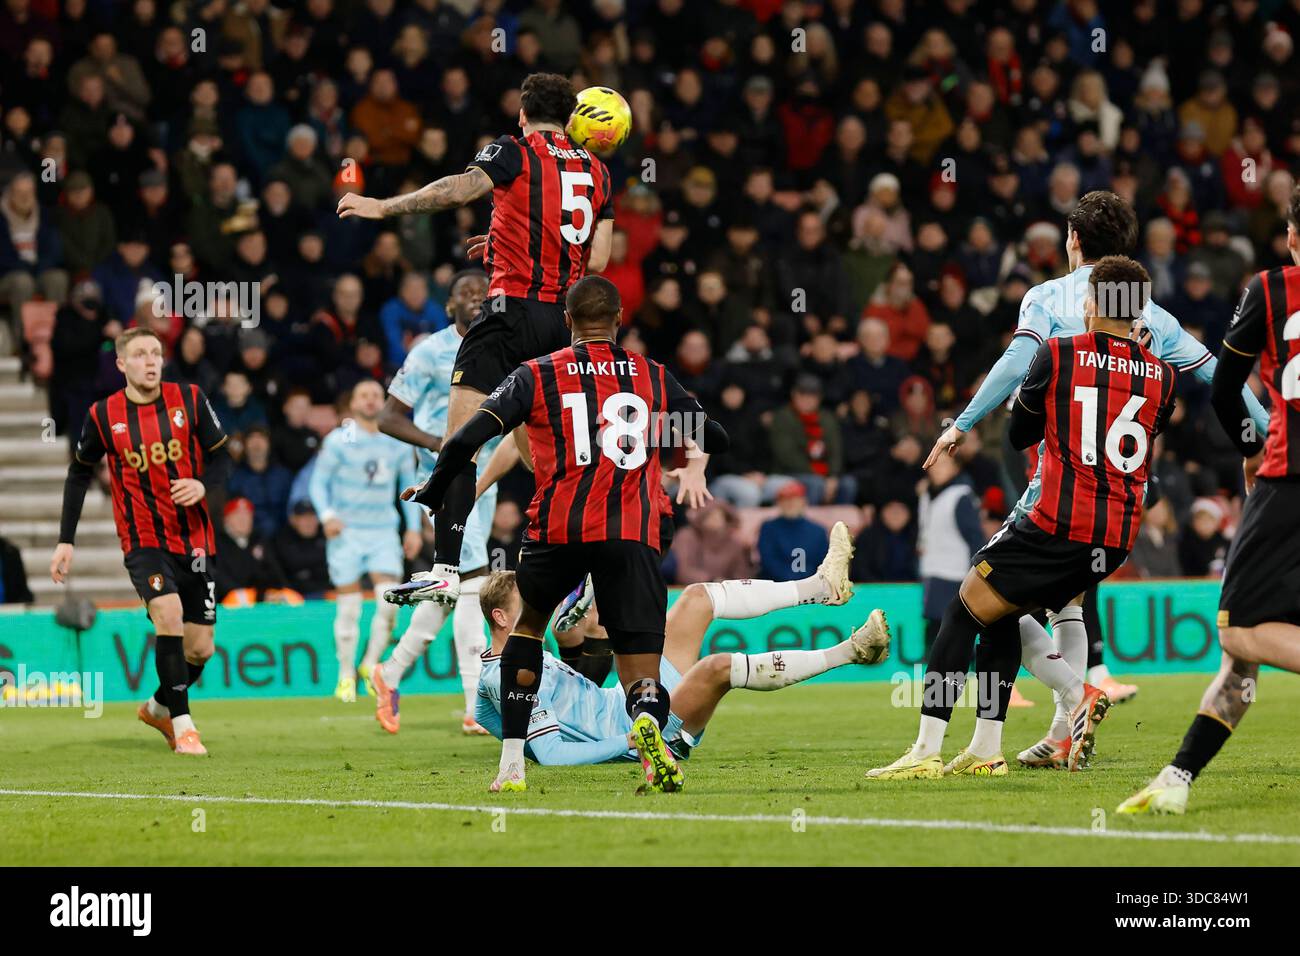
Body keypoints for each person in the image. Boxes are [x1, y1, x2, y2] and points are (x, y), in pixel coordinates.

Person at [921, 190, 1270, 769]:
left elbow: (1016, 361)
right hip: (1123, 494)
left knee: (988, 602)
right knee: (1069, 604)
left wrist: (962, 422)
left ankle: (1065, 701)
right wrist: (1267, 439)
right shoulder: (1153, 316)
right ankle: (1061, 733)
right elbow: (1218, 375)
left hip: (1058, 484)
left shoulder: (1051, 297)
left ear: (1073, 240)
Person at [407, 275, 724, 794]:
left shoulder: (536, 373)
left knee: (529, 632)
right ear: (620, 321)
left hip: (559, 527)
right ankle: (645, 718)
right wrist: (673, 439)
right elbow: (715, 435)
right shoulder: (652, 374)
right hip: (633, 528)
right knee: (641, 665)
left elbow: (470, 436)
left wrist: (438, 483)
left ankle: (511, 765)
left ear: (567, 321)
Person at [869, 256, 1177, 780]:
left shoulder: (1060, 352)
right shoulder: (1163, 376)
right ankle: (987, 747)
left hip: (1057, 519)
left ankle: (929, 749)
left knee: (961, 612)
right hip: (1117, 532)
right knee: (1002, 613)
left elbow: (1019, 436)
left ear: (1093, 303)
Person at [338, 73, 615, 610]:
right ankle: (593, 568)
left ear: (521, 111)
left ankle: (444, 569)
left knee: (460, 436)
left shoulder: (514, 150)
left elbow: (457, 190)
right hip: (563, 325)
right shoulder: (598, 170)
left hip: (508, 312)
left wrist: (382, 207)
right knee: (548, 459)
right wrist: (512, 233)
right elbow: (596, 260)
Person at [1119, 187, 1300, 816]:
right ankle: (1177, 776)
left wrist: (1253, 445)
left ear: (1292, 236)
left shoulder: (1272, 288)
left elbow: (1225, 388)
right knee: (1240, 652)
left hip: (1289, 481)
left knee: (1239, 630)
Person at [472, 562, 887, 765]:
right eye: (527, 601)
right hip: (634, 730)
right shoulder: (506, 674)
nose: (539, 605)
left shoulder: (519, 662)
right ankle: (852, 652)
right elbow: (550, 754)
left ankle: (821, 586)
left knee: (696, 598)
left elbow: (484, 713)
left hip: (623, 700)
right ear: (502, 618)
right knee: (718, 667)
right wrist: (631, 743)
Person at [50, 328, 230, 756]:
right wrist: (65, 540)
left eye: (156, 353)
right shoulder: (102, 414)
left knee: (201, 649)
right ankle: (185, 727)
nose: (150, 361)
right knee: (167, 614)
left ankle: (156, 708)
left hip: (195, 538)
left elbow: (222, 456)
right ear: (121, 364)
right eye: (140, 355)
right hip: (142, 539)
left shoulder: (189, 398)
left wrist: (203, 486)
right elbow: (79, 472)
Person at [370, 269, 499, 734]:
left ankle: (390, 671)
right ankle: (474, 705)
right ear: (449, 306)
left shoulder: (500, 346)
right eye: (466, 294)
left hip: (485, 475)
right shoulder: (429, 351)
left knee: (454, 587)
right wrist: (442, 444)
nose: (476, 300)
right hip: (443, 477)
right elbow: (388, 418)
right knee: (474, 582)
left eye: (484, 294)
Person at [307, 379, 424, 703]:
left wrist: (412, 529)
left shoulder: (397, 441)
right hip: (346, 531)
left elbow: (407, 487)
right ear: (353, 402)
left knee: (388, 602)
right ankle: (345, 675)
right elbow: (318, 483)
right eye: (364, 395)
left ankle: (370, 664)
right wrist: (327, 515)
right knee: (349, 606)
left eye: (376, 395)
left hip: (383, 531)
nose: (371, 400)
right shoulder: (339, 438)